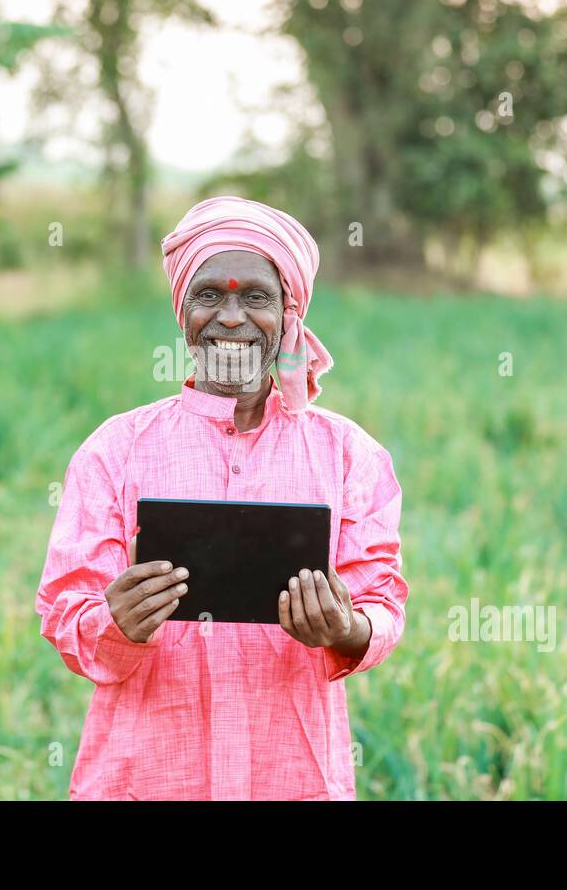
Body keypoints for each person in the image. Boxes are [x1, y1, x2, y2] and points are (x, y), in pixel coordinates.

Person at [36, 195, 408, 799]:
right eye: (209, 294)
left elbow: (382, 607)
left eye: (255, 296)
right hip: (145, 778)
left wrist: (343, 627)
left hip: (292, 777)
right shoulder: (116, 450)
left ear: (290, 312)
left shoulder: (349, 456)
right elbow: (65, 614)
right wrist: (116, 622)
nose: (230, 316)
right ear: (181, 312)